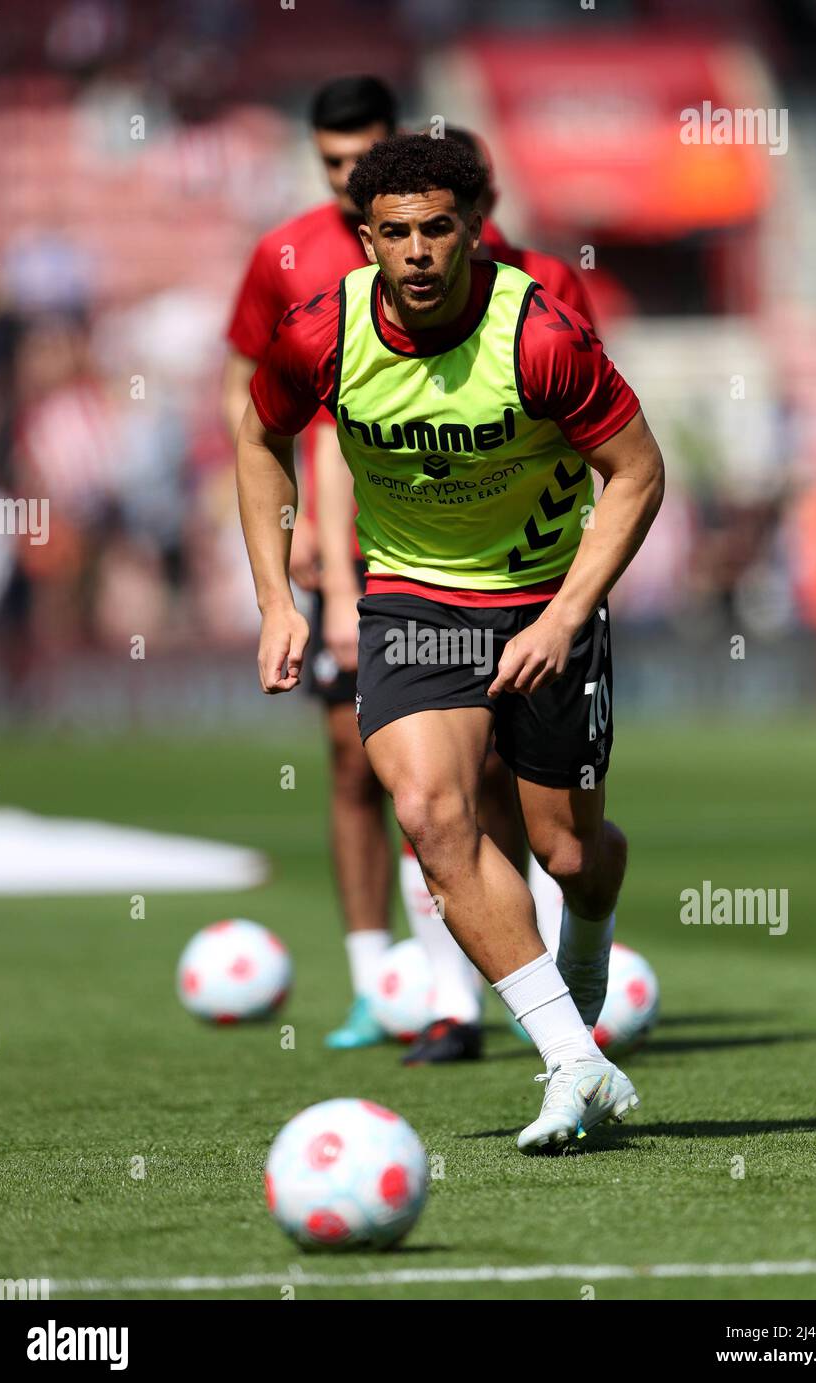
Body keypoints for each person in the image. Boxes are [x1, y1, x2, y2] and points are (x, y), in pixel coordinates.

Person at [236, 134, 664, 1152]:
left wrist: (565, 618)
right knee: (431, 811)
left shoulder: (543, 337)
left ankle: (592, 938)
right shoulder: (320, 334)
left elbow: (639, 474)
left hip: (545, 600)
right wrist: (276, 600)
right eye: (395, 233)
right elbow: (259, 440)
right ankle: (572, 1060)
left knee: (568, 849)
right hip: (411, 603)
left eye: (437, 229)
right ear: (364, 236)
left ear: (475, 230)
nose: (418, 252)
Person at [222, 75, 400, 1049]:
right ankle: (380, 982)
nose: (346, 181)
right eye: (331, 164)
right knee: (350, 760)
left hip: (441, 537)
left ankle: (462, 971)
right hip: (335, 551)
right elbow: (242, 387)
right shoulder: (282, 255)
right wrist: (273, 514)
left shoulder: (445, 243)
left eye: (362, 160)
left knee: (464, 765)